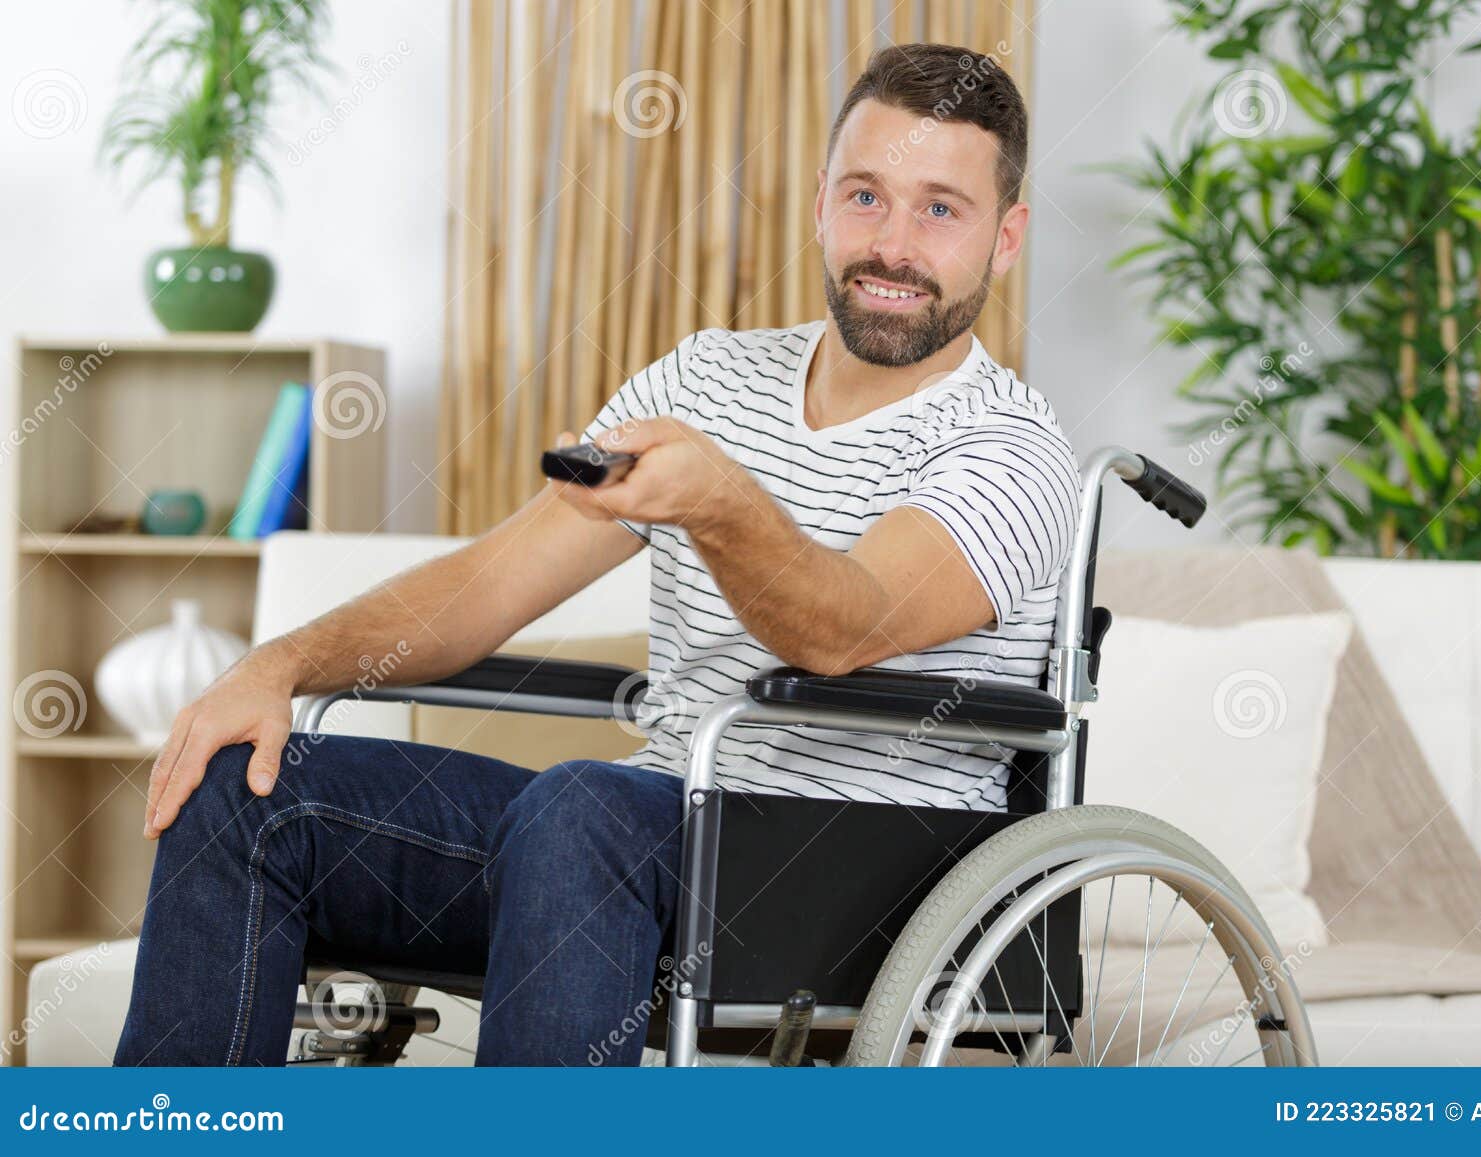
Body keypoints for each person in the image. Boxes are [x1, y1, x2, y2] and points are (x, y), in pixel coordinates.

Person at [114, 42, 1079, 1068]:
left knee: (582, 807)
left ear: (1005, 238)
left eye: (940, 210)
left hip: (863, 878)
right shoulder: (708, 379)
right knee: (246, 789)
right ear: (819, 202)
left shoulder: (1011, 449)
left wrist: (718, 503)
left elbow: (844, 627)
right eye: (865, 195)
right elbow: (489, 582)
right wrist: (276, 665)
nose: (890, 245)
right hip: (638, 840)